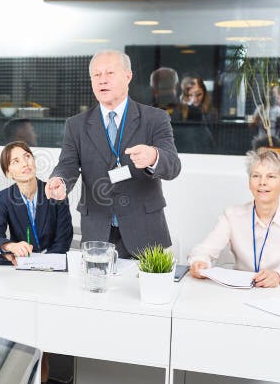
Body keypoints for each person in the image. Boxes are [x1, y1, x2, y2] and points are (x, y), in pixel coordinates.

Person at [45, 50, 181, 258]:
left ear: (128, 76)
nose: (102, 80)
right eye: (96, 75)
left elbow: (173, 165)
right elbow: (68, 164)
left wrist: (154, 156)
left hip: (145, 229)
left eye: (109, 73)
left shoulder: (155, 118)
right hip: (97, 229)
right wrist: (60, 180)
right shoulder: (76, 125)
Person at [188, 150, 280, 286]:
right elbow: (203, 250)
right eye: (256, 176)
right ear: (249, 182)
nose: (262, 182)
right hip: (241, 291)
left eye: (271, 176)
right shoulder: (232, 215)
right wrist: (199, 261)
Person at [0, 141, 73, 256]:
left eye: (27, 156)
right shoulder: (3, 198)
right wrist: (10, 245)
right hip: (22, 260)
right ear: (8, 173)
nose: (25, 163)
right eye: (16, 161)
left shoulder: (56, 191)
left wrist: (46, 262)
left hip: (53, 260)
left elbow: (63, 240)